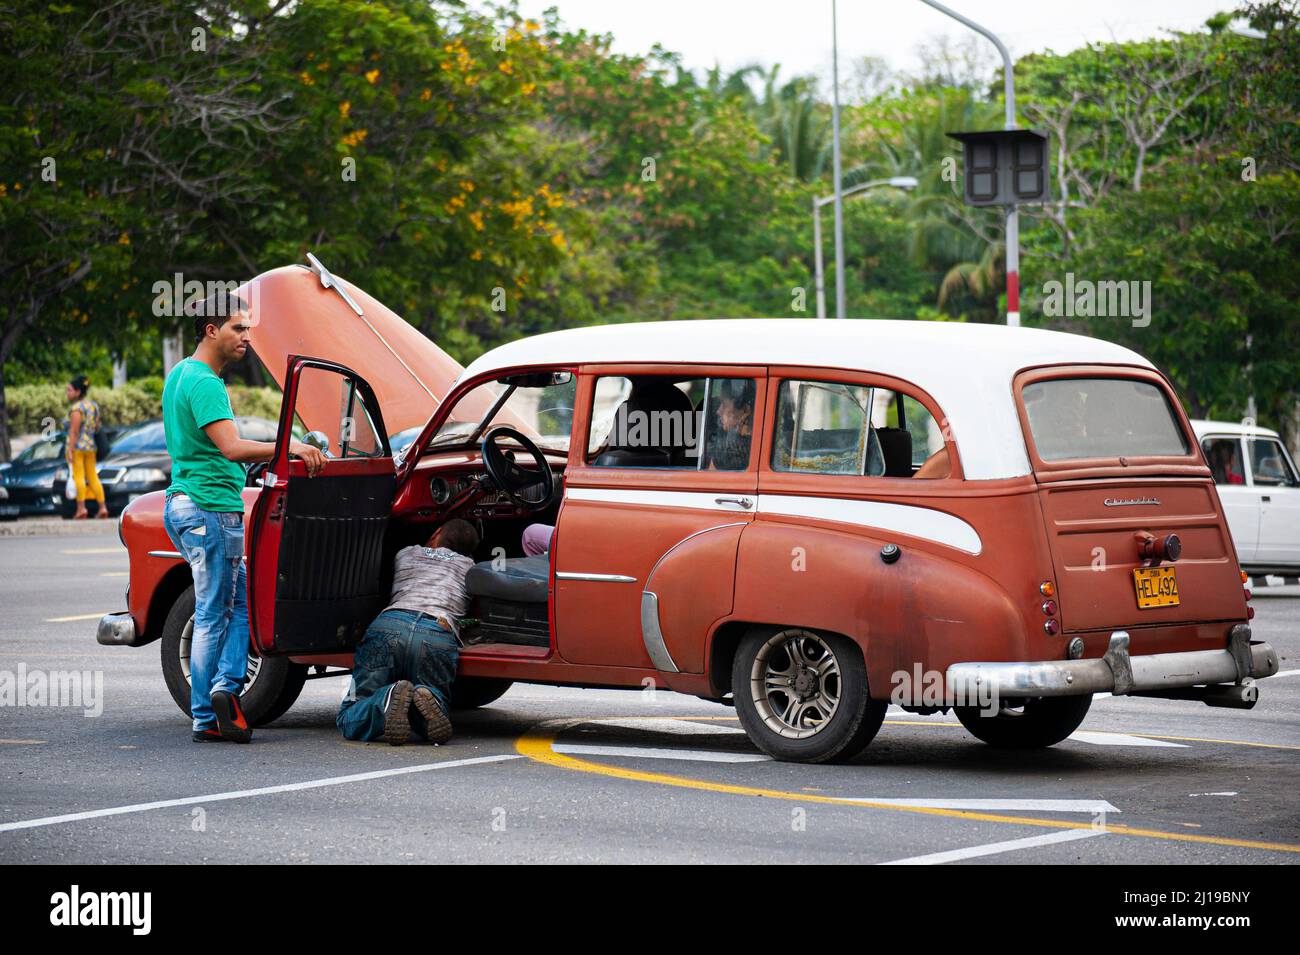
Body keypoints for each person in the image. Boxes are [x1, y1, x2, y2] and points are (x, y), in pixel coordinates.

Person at [163, 290, 327, 743]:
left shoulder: (179, 375)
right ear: (212, 329)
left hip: (185, 501)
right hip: (210, 507)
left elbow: (203, 449)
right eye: (239, 328)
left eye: (249, 328)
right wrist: (290, 446)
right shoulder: (206, 383)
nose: (248, 338)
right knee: (218, 610)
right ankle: (210, 711)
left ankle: (223, 695)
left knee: (234, 605)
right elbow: (231, 447)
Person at [337, 519, 480, 745]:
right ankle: (425, 698)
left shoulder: (406, 554)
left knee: (350, 714)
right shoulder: (470, 567)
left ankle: (386, 698)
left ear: (437, 533)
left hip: (390, 624)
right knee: (436, 696)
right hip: (437, 630)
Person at [65, 376, 108, 519]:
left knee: (79, 477)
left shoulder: (77, 408)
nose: (67, 393)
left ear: (78, 392)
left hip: (78, 447)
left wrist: (70, 449)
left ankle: (81, 509)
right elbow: (97, 426)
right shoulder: (93, 406)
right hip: (91, 447)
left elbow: (74, 431)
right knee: (93, 477)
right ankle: (102, 508)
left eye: (69, 390)